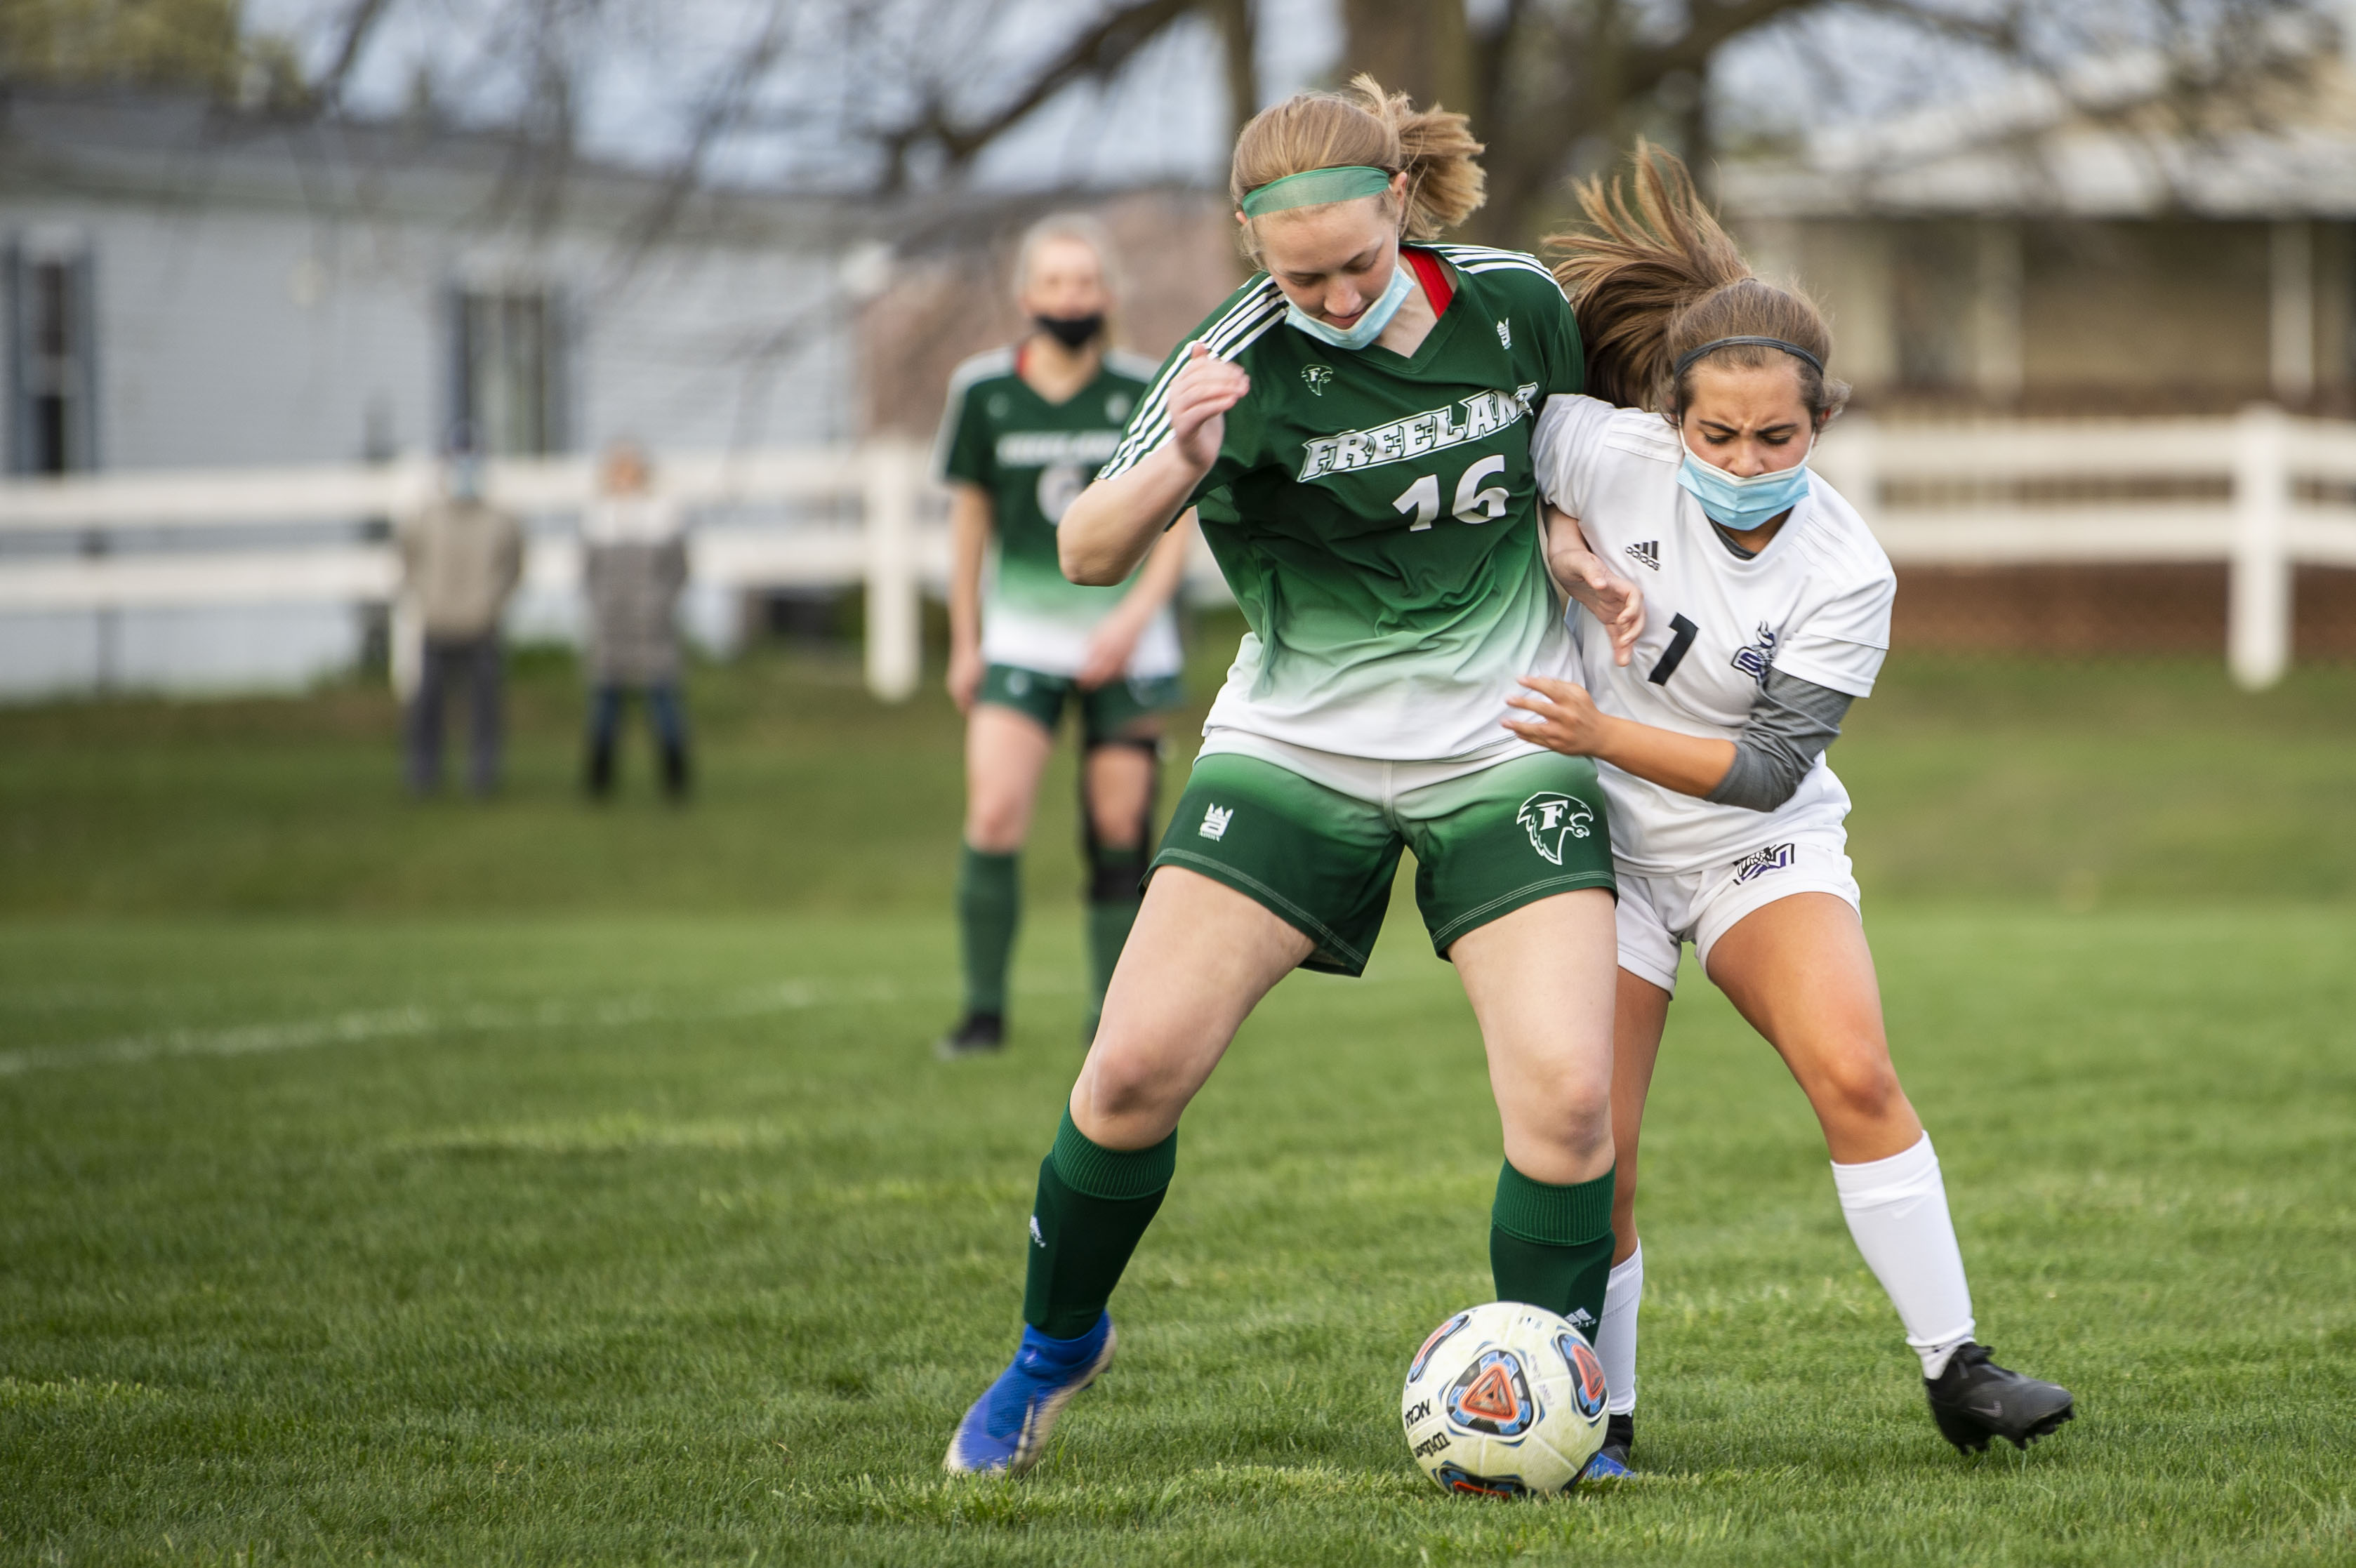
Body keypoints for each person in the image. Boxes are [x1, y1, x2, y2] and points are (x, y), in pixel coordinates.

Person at [942, 77, 1647, 1480]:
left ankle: (1563, 1417)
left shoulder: (1514, 303)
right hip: (1296, 748)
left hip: (1504, 736)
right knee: (1130, 1071)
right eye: (1293, 275)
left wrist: (1569, 541)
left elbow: (1563, 454)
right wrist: (1177, 464)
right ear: (1250, 250)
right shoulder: (1227, 355)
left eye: (1352, 267)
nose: (1325, 298)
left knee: (1570, 1099)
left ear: (1399, 205)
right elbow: (1086, 549)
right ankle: (1052, 1348)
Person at [1503, 145, 2075, 1475]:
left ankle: (1959, 1366)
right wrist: (1557, 535)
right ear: (1668, 416)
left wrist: (1600, 727)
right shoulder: (1607, 449)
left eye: (1780, 436)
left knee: (1856, 1070)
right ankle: (1605, 1409)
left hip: (1756, 838)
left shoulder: (1847, 568)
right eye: (1718, 434)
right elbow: (1493, 458)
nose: (1747, 458)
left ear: (1822, 424)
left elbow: (1765, 768)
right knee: (1601, 1144)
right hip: (1603, 849)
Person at [934, 214, 1194, 1056]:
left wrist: (1132, 617)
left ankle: (1106, 1025)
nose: (1070, 297)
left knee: (1119, 829)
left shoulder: (1141, 388)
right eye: (1054, 282)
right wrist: (964, 640)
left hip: (1128, 644)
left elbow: (1175, 519)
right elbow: (968, 525)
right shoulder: (983, 392)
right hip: (1021, 637)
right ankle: (982, 1013)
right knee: (996, 811)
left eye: (1085, 283)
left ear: (1107, 295)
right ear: (1026, 296)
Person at [398, 428, 524, 797]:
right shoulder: (425, 518)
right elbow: (408, 561)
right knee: (427, 706)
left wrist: (492, 602)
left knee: (484, 707)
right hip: (437, 622)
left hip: (481, 625)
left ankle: (482, 774)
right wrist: (427, 598)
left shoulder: (501, 520)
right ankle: (423, 774)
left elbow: (514, 566)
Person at [580, 439, 691, 802]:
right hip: (611, 627)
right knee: (606, 705)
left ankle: (675, 780)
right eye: (619, 471)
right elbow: (588, 573)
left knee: (663, 702)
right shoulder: (598, 519)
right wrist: (603, 606)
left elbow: (678, 571)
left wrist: (657, 604)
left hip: (653, 627)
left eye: (631, 470)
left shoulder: (664, 517)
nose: (625, 478)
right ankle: (600, 781)